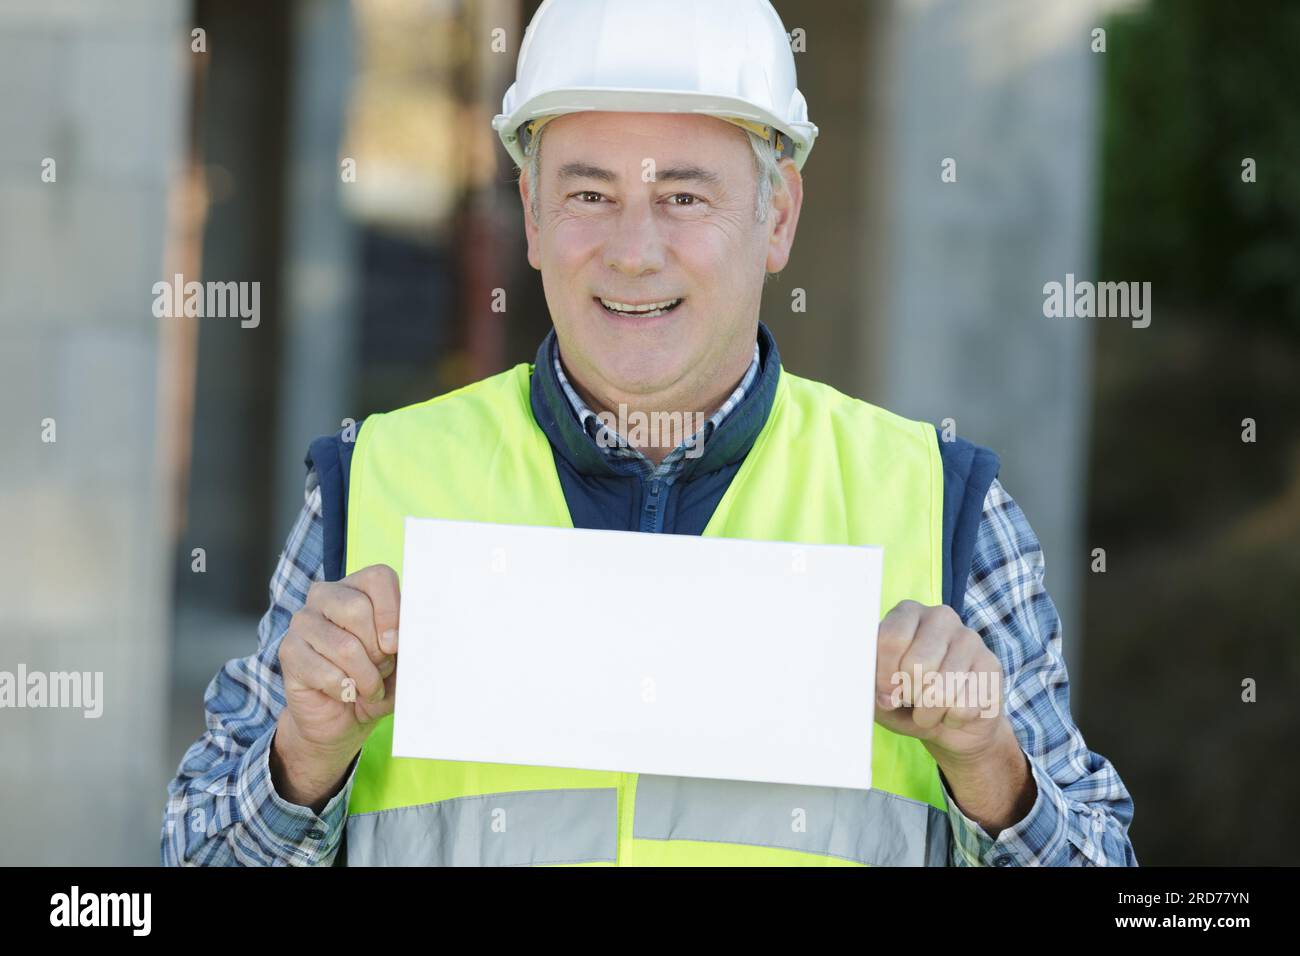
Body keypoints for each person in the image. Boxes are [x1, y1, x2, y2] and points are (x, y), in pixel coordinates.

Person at [163, 0, 1136, 866]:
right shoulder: (372, 482)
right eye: (589, 195)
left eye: (683, 196)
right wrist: (302, 760)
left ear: (777, 215)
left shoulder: (939, 503)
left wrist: (989, 766)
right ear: (535, 219)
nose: (632, 251)